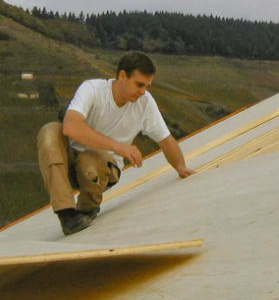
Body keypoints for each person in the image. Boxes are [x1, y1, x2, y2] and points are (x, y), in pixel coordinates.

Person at [37, 51, 194, 235]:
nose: (143, 91)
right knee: (49, 132)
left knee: (90, 160)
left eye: (147, 86)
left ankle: (88, 207)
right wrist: (118, 146)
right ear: (122, 76)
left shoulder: (145, 103)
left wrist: (181, 167)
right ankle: (67, 214)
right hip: (72, 163)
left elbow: (165, 140)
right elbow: (71, 127)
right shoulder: (93, 89)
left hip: (101, 169)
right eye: (139, 84)